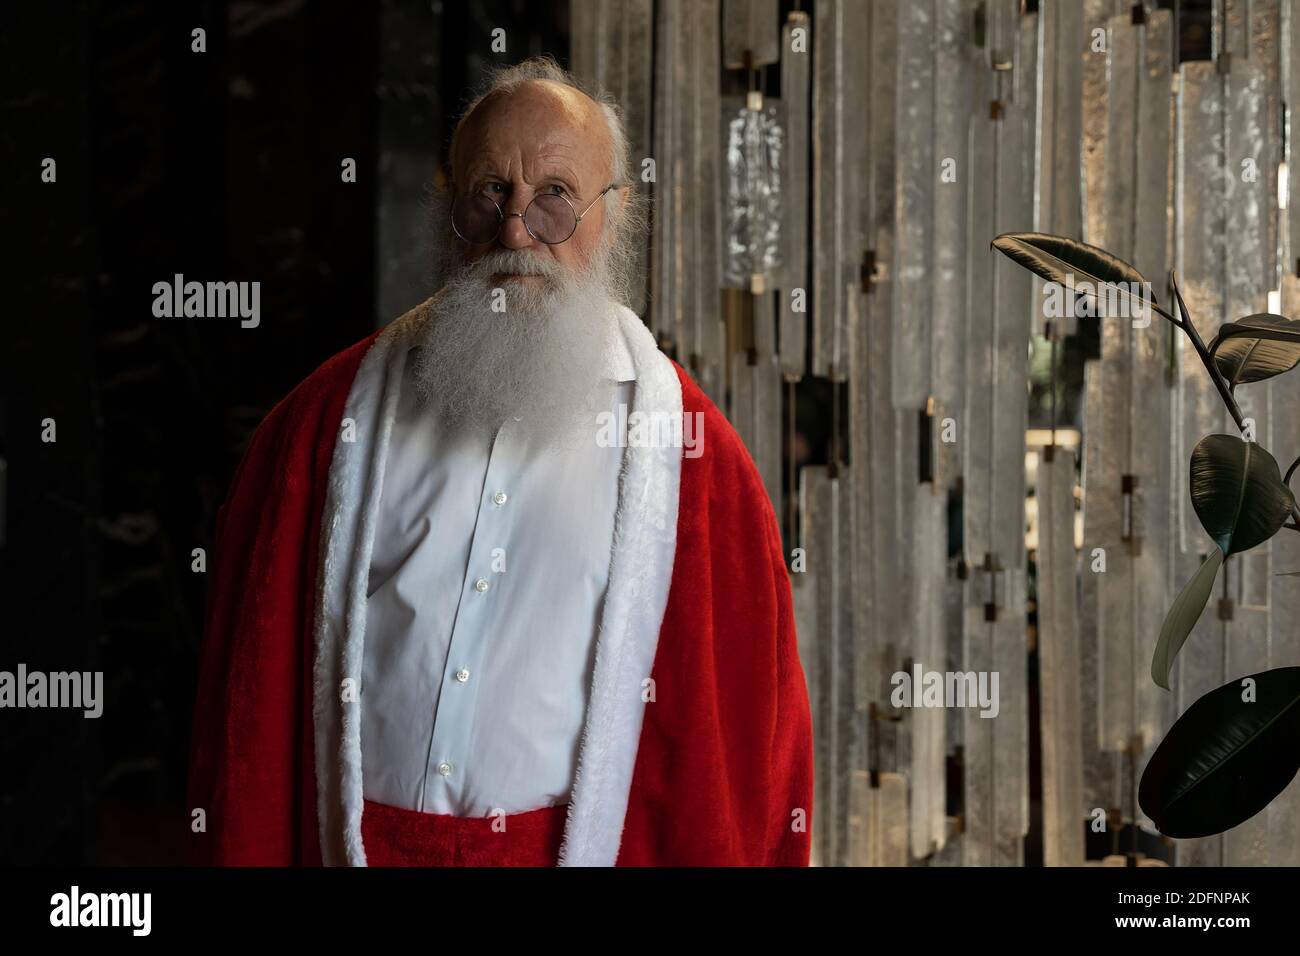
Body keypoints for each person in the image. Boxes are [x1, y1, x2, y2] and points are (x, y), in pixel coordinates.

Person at [186, 55, 813, 867]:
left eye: (555, 194)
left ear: (612, 216)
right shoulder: (321, 424)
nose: (518, 231)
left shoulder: (697, 462)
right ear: (450, 207)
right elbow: (244, 700)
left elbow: (762, 744)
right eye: (491, 192)